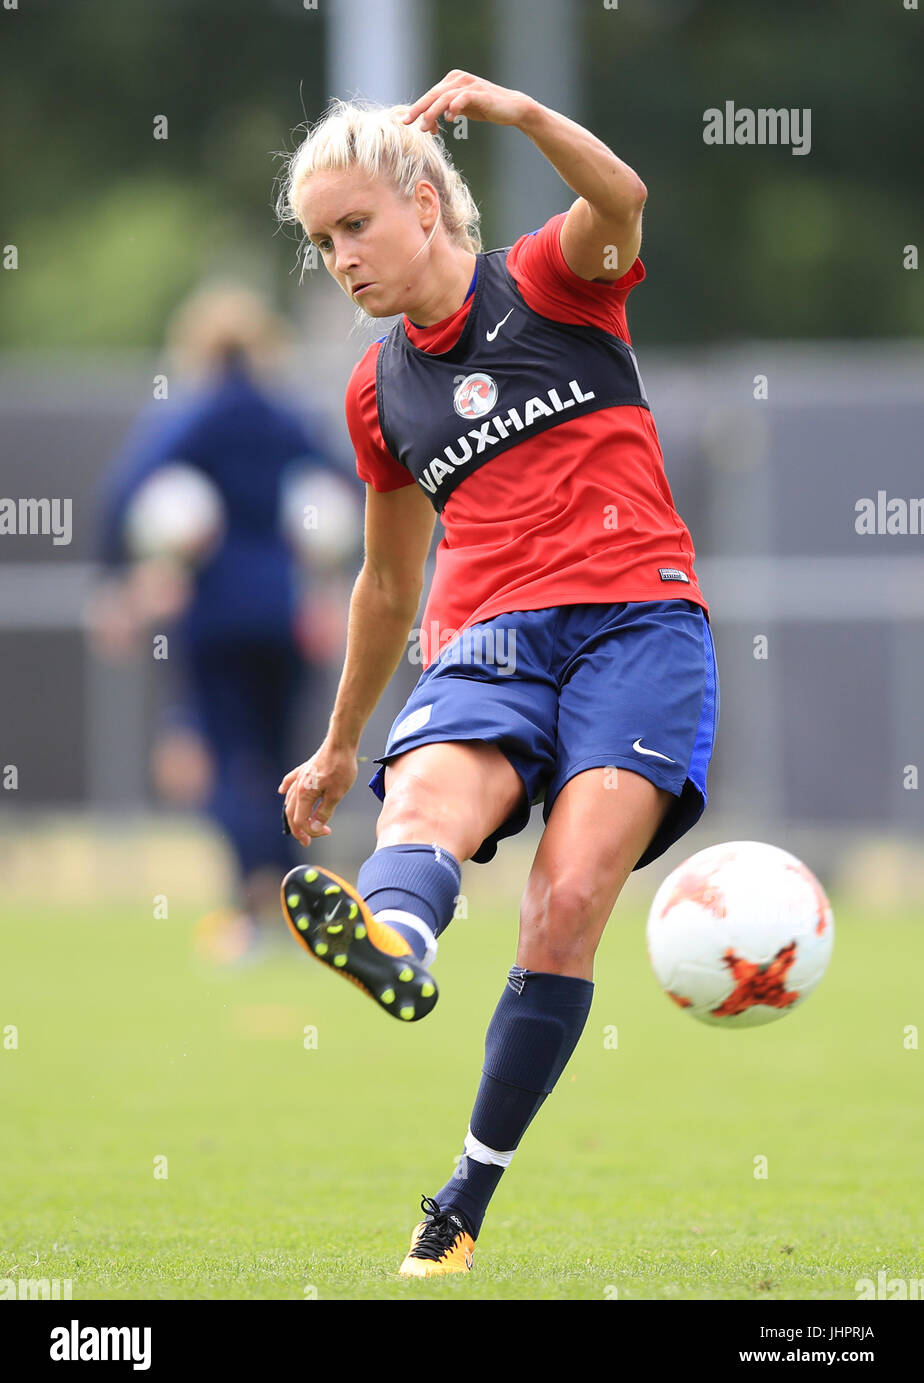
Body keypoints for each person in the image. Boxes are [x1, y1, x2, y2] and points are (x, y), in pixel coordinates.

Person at [275, 72, 720, 1276]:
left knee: (567, 901)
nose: (343, 260)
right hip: (491, 639)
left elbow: (623, 195)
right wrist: (335, 745)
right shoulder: (378, 391)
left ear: (426, 201)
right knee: (424, 800)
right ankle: (398, 947)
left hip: (639, 625)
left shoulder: (552, 278)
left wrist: (518, 113)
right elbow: (382, 586)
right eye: (323, 243)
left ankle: (466, 1194)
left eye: (355, 225)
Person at [93, 283, 359, 962]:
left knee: (224, 765)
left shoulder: (194, 415)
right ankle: (292, 908)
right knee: (281, 764)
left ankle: (254, 910)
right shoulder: (287, 415)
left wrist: (118, 584)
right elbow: (353, 485)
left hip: (215, 616)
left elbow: (121, 493)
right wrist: (330, 578)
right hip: (289, 617)